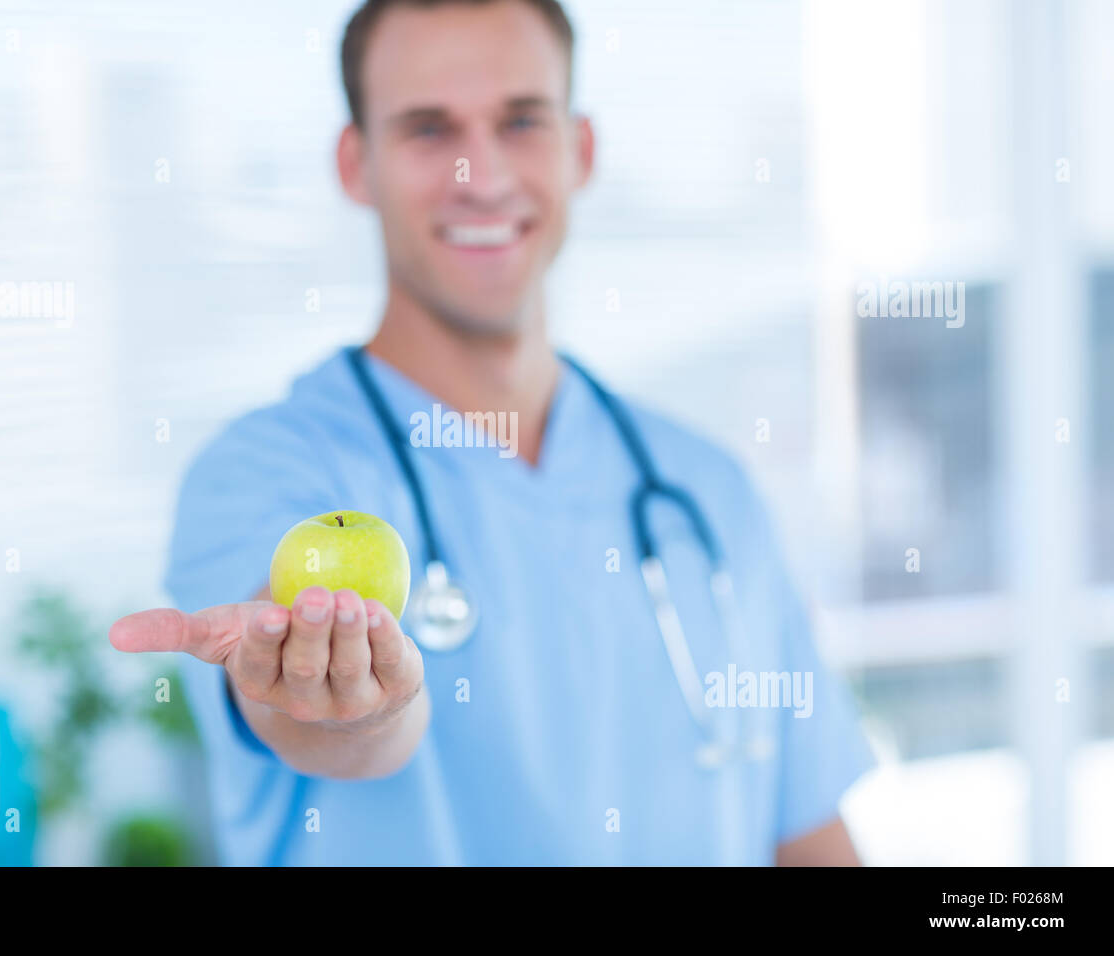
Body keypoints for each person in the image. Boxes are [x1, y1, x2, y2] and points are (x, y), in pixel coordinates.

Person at [109, 0, 874, 865]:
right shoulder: (263, 474)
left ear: (580, 150)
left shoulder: (708, 489)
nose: (481, 175)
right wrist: (351, 697)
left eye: (520, 121)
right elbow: (318, 724)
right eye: (430, 130)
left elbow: (809, 832)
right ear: (356, 165)